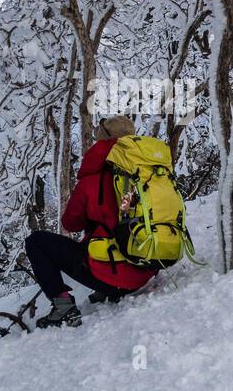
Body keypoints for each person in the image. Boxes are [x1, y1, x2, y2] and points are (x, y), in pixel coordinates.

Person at [24, 115, 158, 328]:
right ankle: (109, 284)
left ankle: (63, 306)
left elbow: (70, 223)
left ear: (102, 141)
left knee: (36, 241)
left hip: (116, 278)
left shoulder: (92, 179)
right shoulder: (151, 173)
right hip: (147, 271)